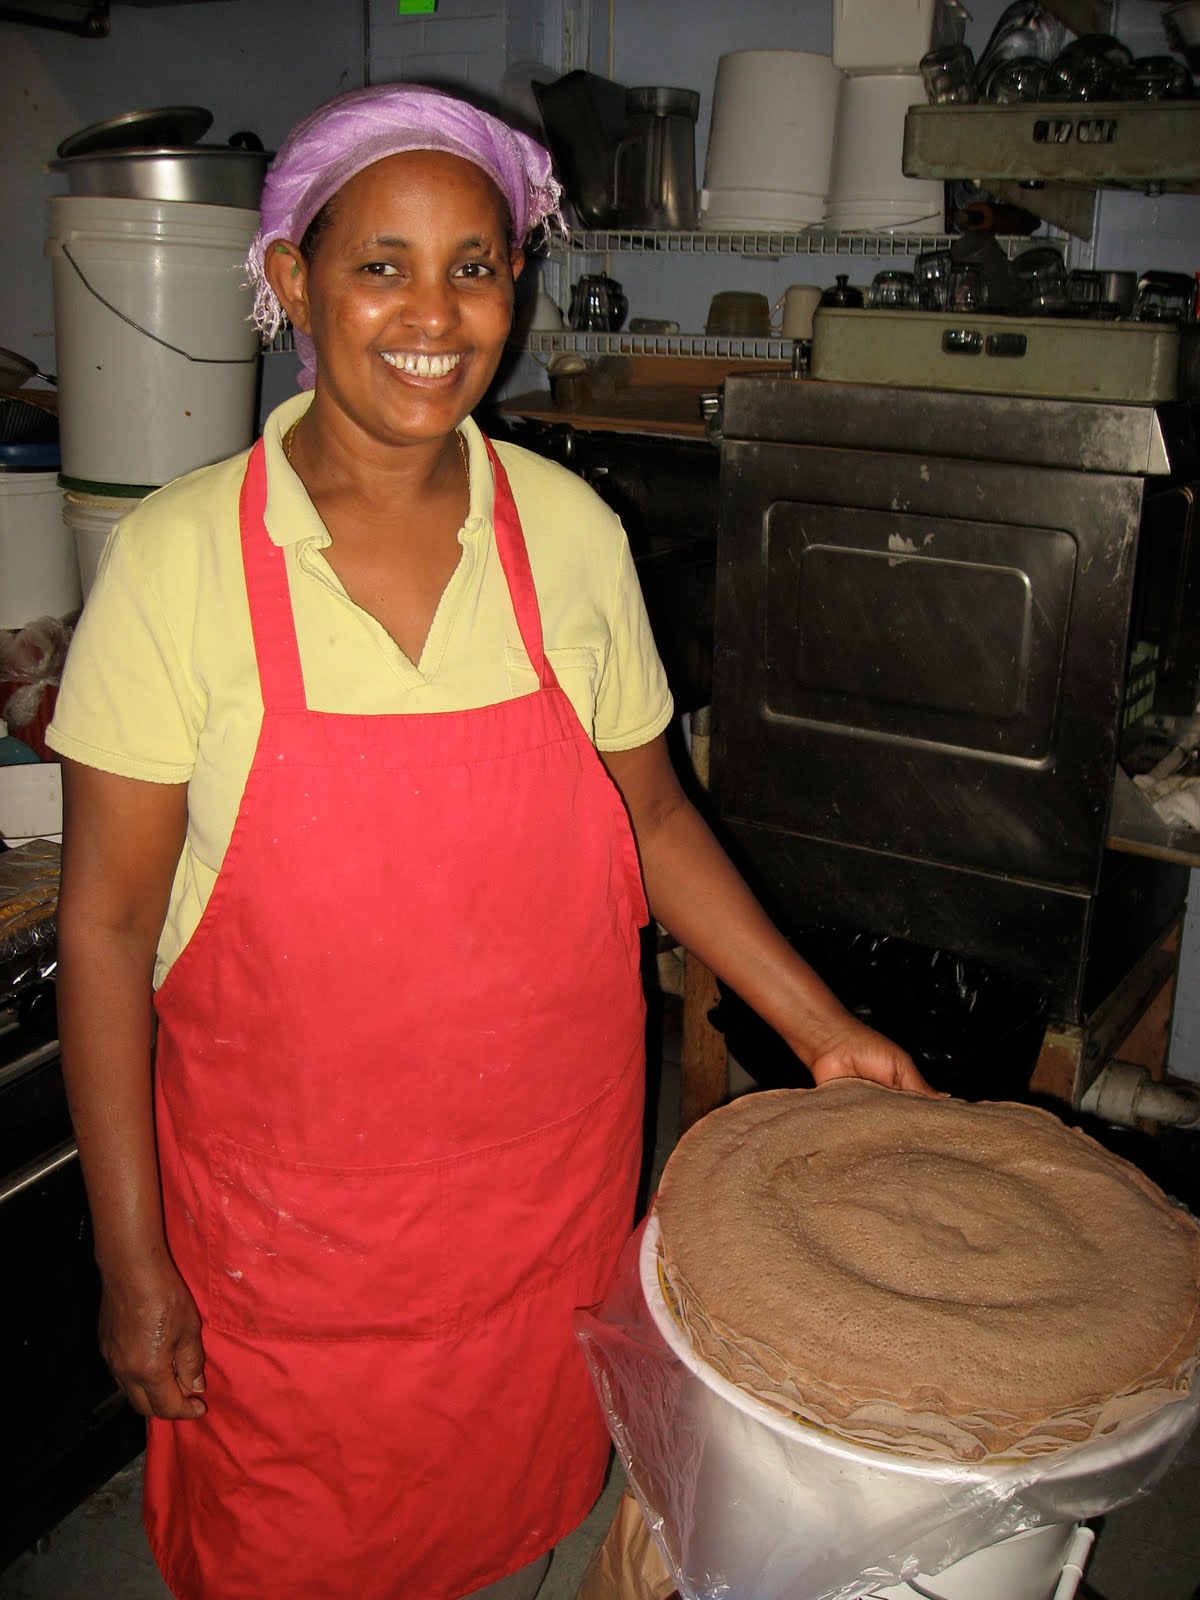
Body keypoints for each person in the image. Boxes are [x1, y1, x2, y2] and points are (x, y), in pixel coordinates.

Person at [49, 83, 928, 1600]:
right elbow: (105, 930)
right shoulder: (181, 560)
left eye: (476, 265)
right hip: (291, 1251)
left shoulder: (570, 533)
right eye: (378, 264)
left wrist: (821, 1028)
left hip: (535, 1221)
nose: (432, 312)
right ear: (289, 284)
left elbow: (653, 813)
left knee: (519, 1534)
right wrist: (134, 1266)